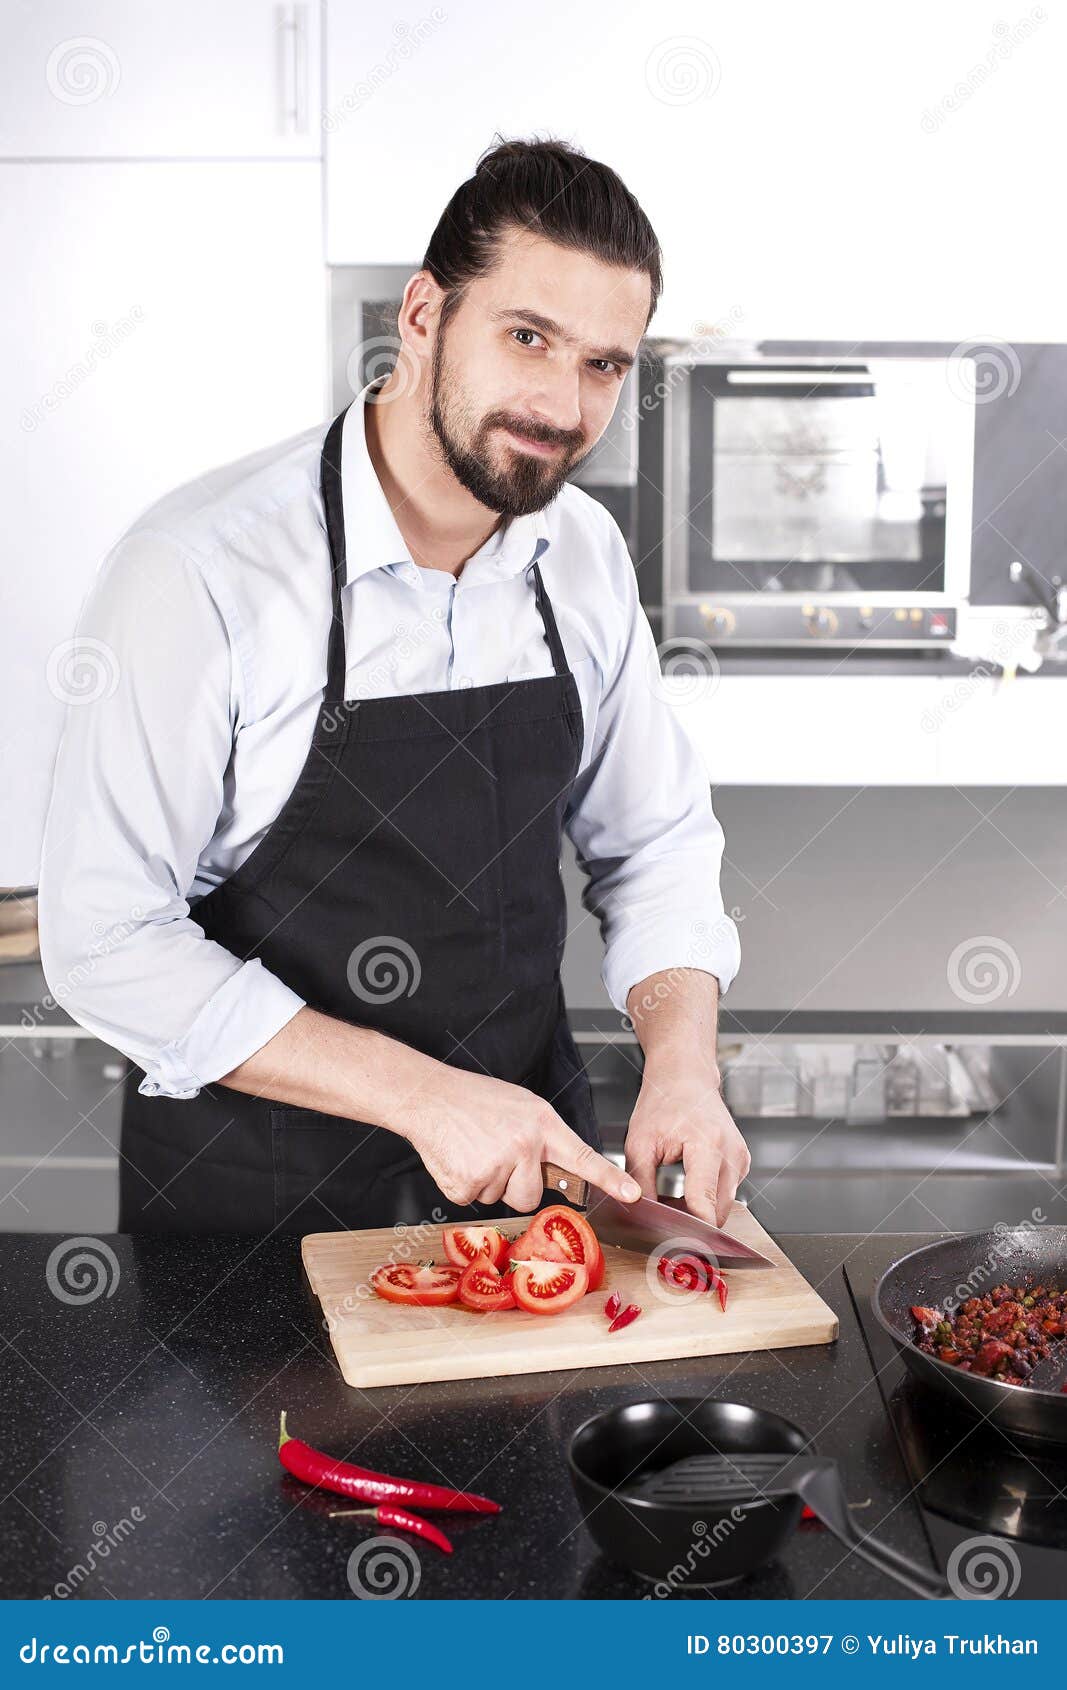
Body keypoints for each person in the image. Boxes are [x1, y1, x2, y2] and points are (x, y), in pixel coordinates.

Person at [39, 137, 749, 1235]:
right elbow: (103, 936)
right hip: (256, 1206)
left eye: (603, 363)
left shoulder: (585, 556)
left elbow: (651, 843)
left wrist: (683, 1063)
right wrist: (420, 1095)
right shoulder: (201, 570)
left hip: (531, 1191)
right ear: (422, 315)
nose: (562, 404)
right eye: (526, 337)